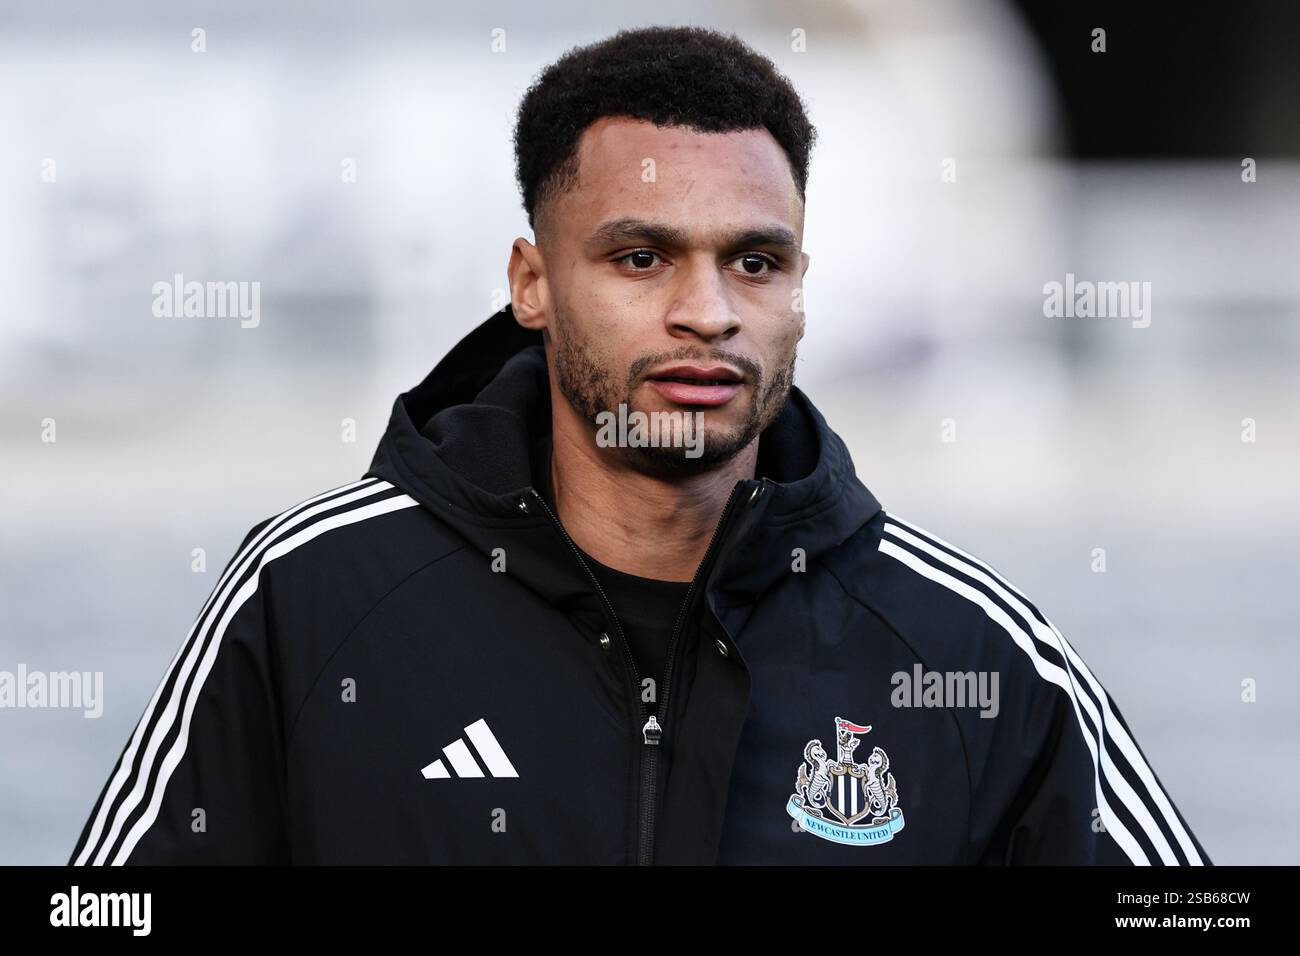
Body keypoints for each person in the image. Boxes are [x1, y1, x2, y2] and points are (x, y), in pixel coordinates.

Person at [69, 25, 1210, 865]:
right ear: (531, 283)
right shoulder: (311, 598)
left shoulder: (977, 654)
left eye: (753, 261)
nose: (707, 310)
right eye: (640, 257)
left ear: (801, 290)